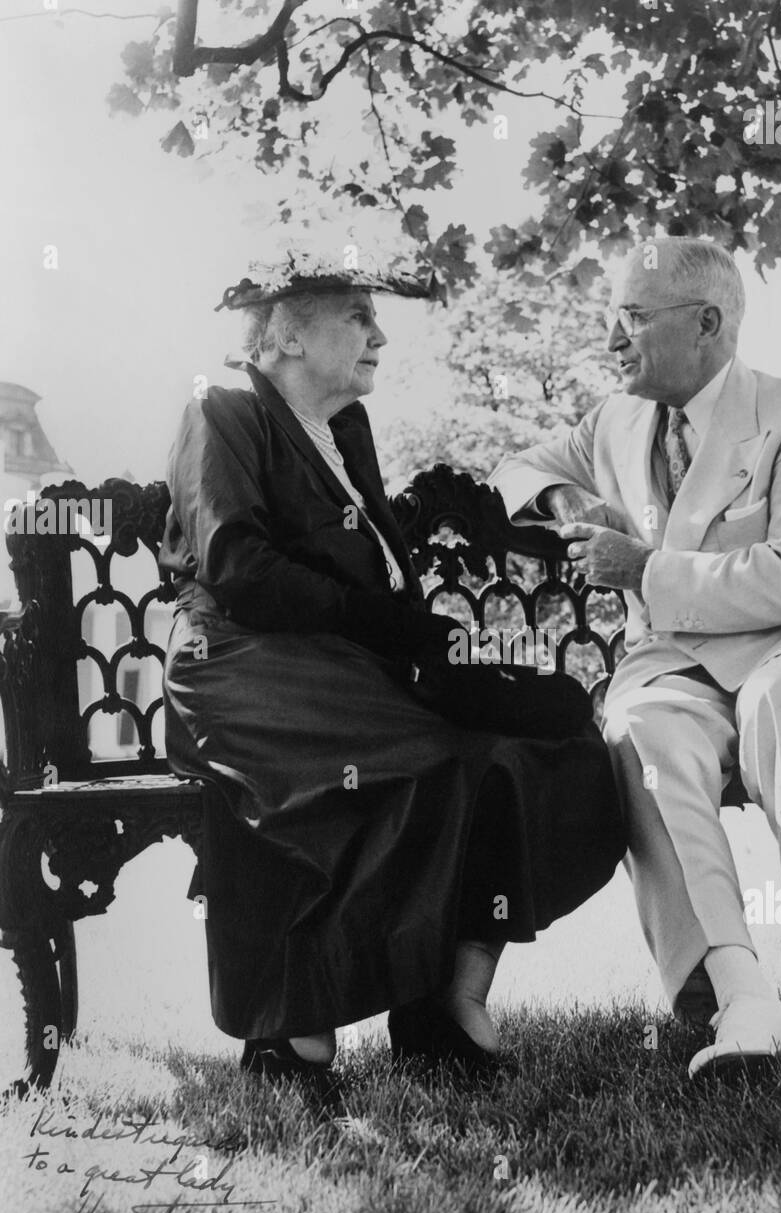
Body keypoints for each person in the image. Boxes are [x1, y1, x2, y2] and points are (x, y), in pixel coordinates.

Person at [159, 255, 626, 1102]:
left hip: (339, 663)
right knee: (425, 759)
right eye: (356, 317)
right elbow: (238, 568)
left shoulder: (344, 431)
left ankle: (444, 1010)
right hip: (240, 665)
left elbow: (381, 575)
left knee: (527, 752)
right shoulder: (222, 409)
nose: (379, 335)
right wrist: (388, 627)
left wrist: (431, 650)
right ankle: (291, 1034)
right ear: (287, 334)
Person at [490, 236, 781, 1080]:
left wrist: (645, 570)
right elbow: (512, 467)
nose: (612, 339)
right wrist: (568, 495)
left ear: (705, 322)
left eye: (630, 318)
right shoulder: (614, 420)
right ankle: (741, 999)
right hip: (673, 664)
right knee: (635, 731)